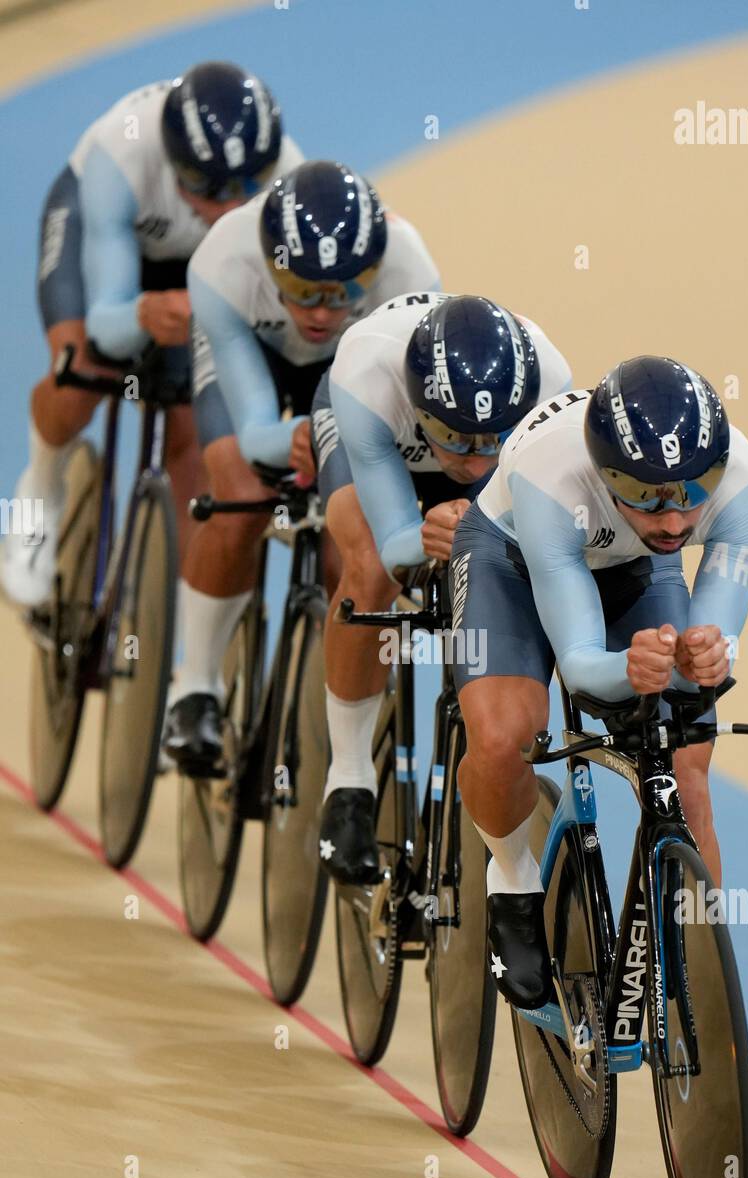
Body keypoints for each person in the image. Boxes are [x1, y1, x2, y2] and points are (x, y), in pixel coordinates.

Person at [447, 355, 748, 1008]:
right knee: (504, 737)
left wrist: (705, 657)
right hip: (510, 558)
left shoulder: (747, 486)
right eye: (649, 497)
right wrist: (628, 668)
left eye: (689, 493)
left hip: (634, 568)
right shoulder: (554, 477)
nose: (676, 522)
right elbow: (580, 663)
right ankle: (512, 881)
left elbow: (713, 639)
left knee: (688, 756)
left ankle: (698, 985)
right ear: (604, 474)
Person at [163, 161, 441, 773]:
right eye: (303, 291)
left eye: (344, 292)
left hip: (355, 373)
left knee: (360, 554)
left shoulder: (408, 269)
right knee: (239, 495)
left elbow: (407, 413)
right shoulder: (223, 262)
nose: (321, 312)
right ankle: (196, 683)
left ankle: (340, 722)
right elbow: (258, 426)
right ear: (270, 265)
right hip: (252, 358)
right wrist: (283, 439)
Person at [2, 61, 302, 607]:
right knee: (79, 370)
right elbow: (108, 327)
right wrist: (142, 314)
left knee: (188, 421)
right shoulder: (122, 155)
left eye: (246, 189)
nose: (231, 208)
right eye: (211, 189)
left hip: (195, 272)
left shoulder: (286, 175)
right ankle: (40, 494)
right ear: (174, 163)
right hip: (110, 253)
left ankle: (174, 626)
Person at [312, 291, 571, 884]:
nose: (476, 462)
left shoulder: (550, 381)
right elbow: (397, 542)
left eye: (490, 442)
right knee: (372, 566)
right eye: (455, 438)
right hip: (381, 457)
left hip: (460, 475)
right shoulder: (366, 373)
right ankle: (348, 777)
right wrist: (420, 537)